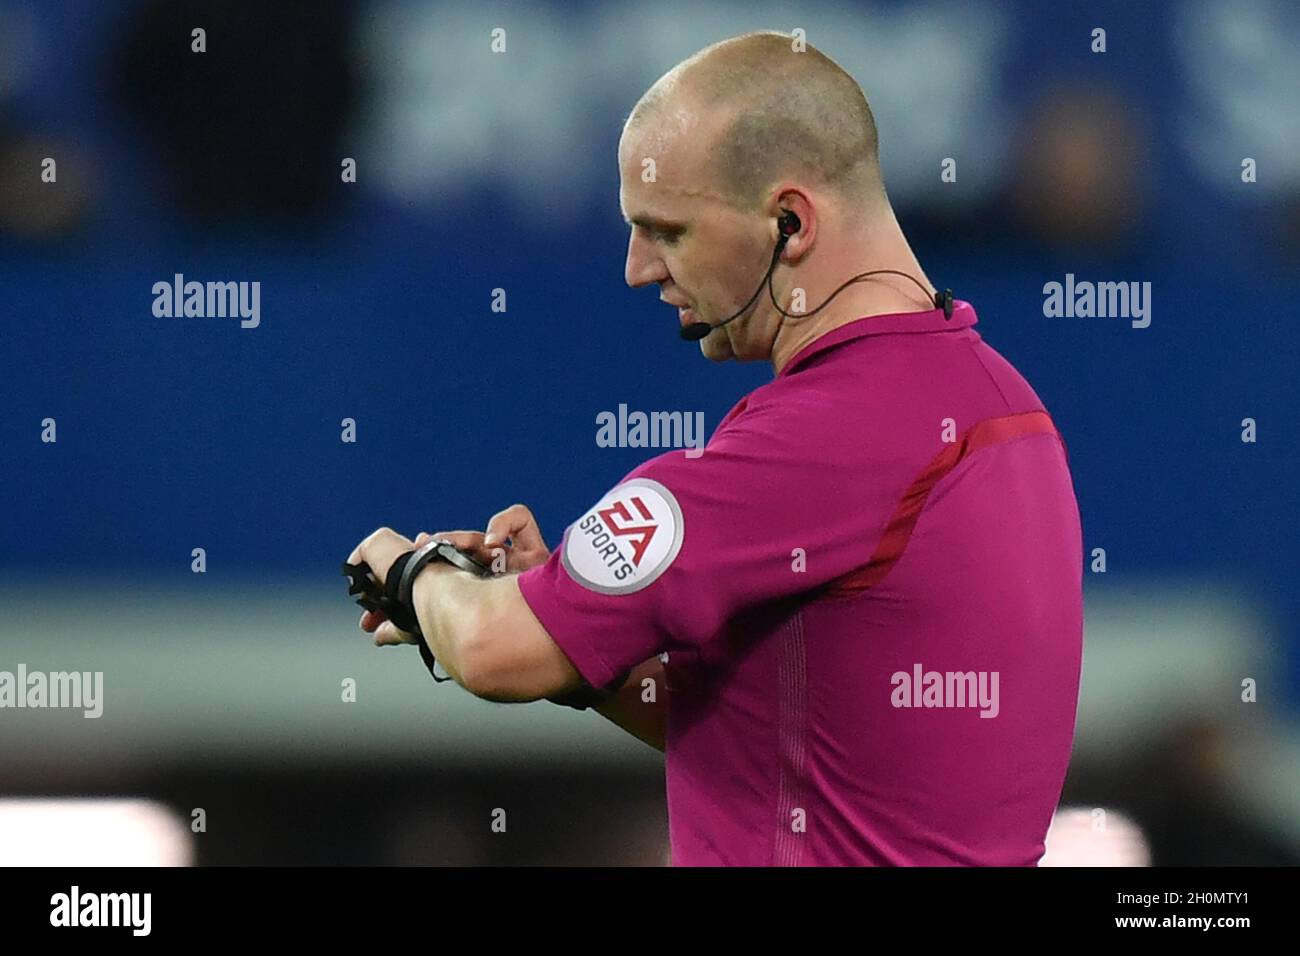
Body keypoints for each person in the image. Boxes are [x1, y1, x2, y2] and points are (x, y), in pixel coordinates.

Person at [347, 31, 1083, 866]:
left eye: (667, 229)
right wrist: (573, 621)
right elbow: (786, 743)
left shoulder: (820, 438)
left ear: (790, 222)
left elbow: (488, 649)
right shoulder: (1003, 407)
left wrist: (415, 573)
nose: (637, 269)